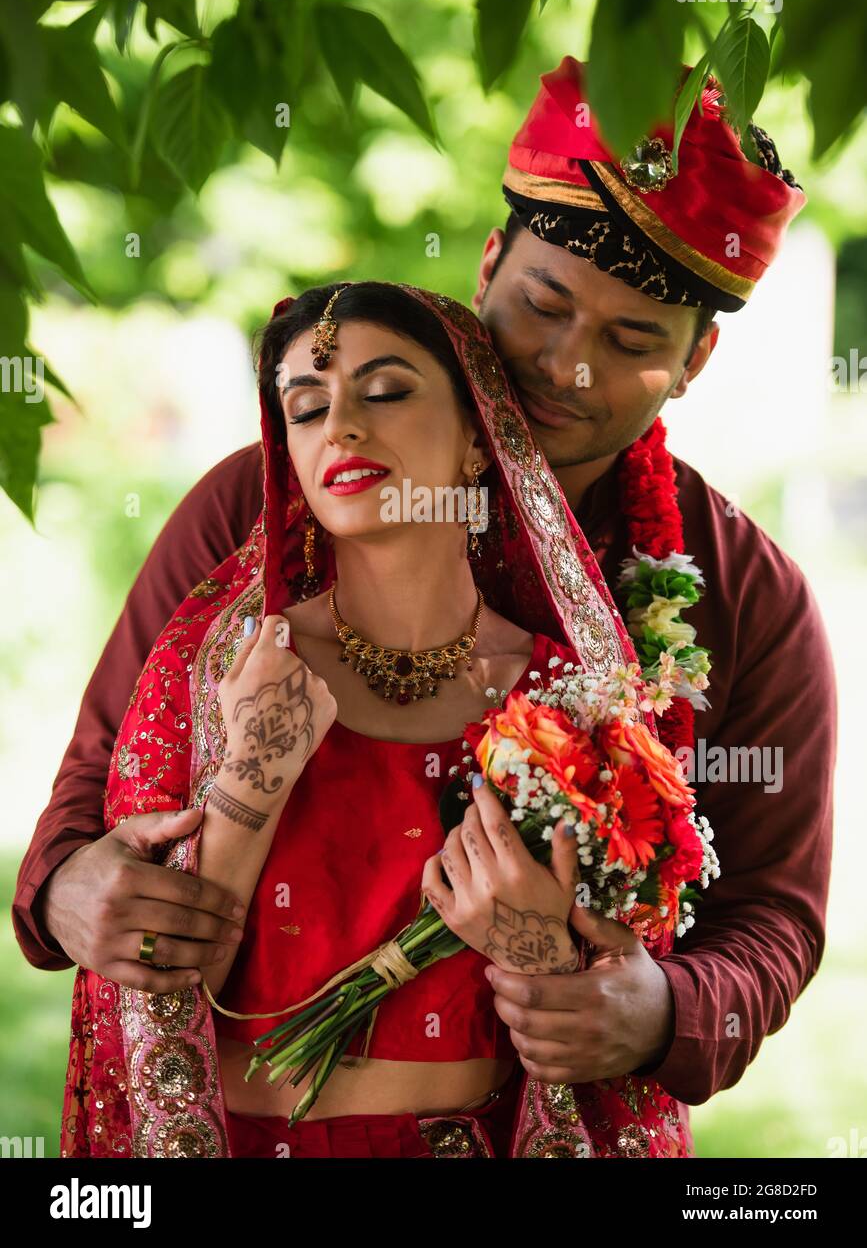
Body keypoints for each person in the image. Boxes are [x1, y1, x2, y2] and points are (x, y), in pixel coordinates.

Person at [14, 57, 836, 1130]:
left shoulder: (742, 596)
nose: (565, 365)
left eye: (633, 341)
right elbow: (89, 794)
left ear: (698, 361)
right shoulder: (259, 511)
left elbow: (775, 913)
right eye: (542, 304)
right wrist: (70, 891)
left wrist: (658, 1009)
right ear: (490, 261)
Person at [58, 281, 694, 1158]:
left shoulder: (565, 698)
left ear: (480, 438)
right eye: (307, 408)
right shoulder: (224, 667)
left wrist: (531, 941)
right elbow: (152, 980)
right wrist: (250, 780)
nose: (342, 429)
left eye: (386, 392)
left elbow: (602, 1011)